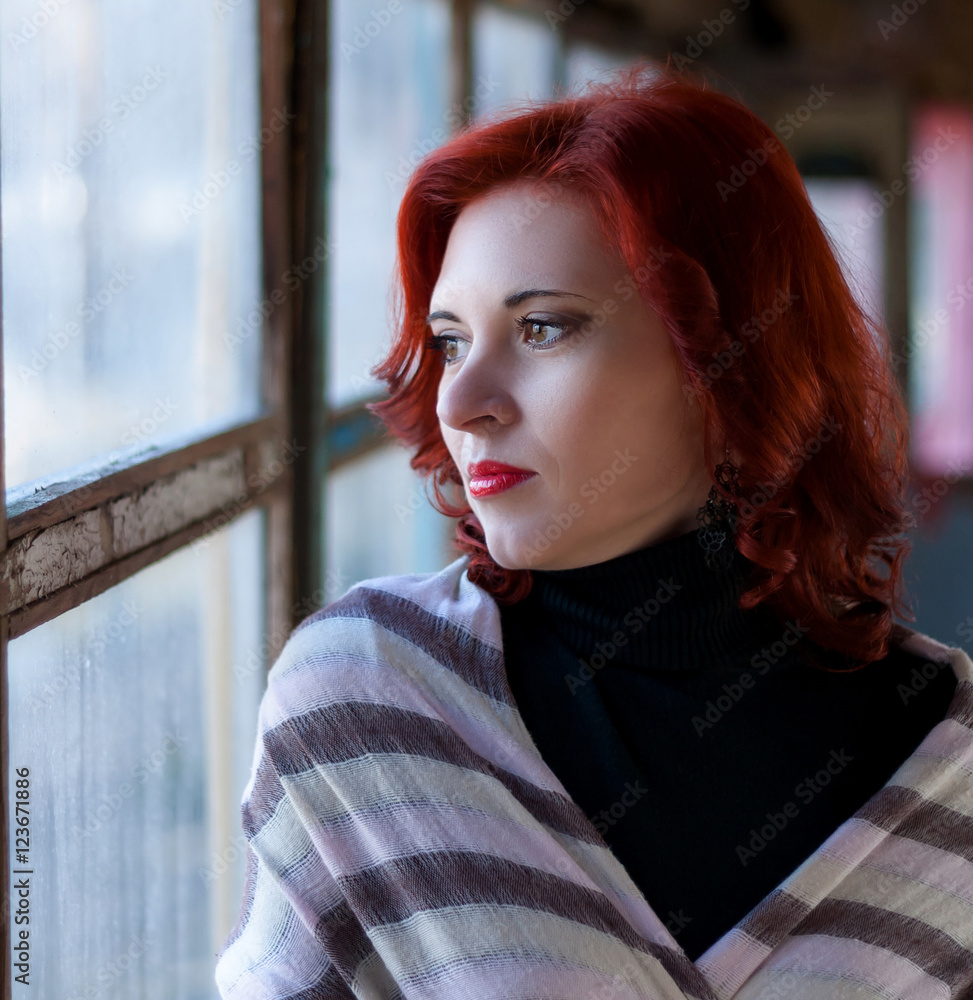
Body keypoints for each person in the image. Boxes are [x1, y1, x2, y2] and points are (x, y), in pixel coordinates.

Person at [215, 65, 973, 999]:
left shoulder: (945, 763)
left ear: (726, 365)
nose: (461, 400)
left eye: (541, 329)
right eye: (450, 340)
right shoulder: (368, 700)